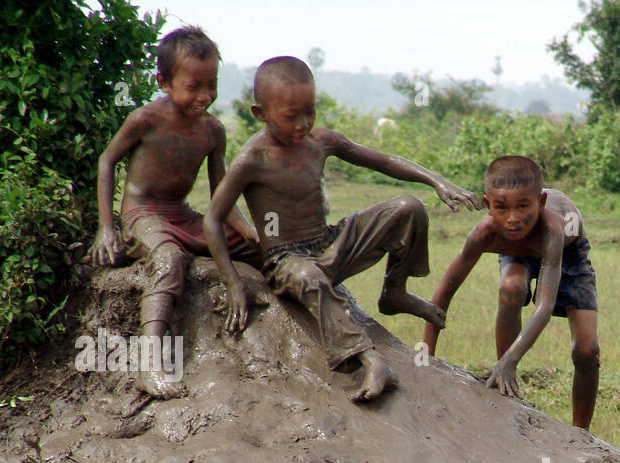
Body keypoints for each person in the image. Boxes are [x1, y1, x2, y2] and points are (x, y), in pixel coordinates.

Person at [203, 56, 482, 401]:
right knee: (307, 275)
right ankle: (370, 358)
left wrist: (436, 180)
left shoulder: (322, 142)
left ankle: (394, 291)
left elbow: (384, 161)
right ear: (259, 113)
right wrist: (233, 283)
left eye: (310, 111)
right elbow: (212, 217)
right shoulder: (253, 159)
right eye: (291, 116)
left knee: (409, 208)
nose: (303, 123)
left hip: (330, 242)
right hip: (286, 259)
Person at [89, 26, 261, 399]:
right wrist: (107, 227)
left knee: (258, 247)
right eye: (194, 86)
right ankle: (150, 364)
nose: (205, 96)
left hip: (183, 216)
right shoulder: (144, 119)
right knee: (169, 259)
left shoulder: (213, 131)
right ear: (164, 82)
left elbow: (221, 195)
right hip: (143, 216)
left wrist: (246, 230)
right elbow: (107, 162)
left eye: (211, 85)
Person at [422, 155, 601, 429]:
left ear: (540, 203)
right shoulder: (485, 234)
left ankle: (581, 434)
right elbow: (444, 292)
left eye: (523, 207)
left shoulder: (553, 229)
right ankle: (506, 388)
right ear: (487, 205)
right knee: (511, 287)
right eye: (501, 208)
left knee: (587, 350)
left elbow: (544, 306)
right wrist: (426, 357)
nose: (513, 219)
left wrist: (510, 359)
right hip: (518, 252)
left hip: (568, 251)